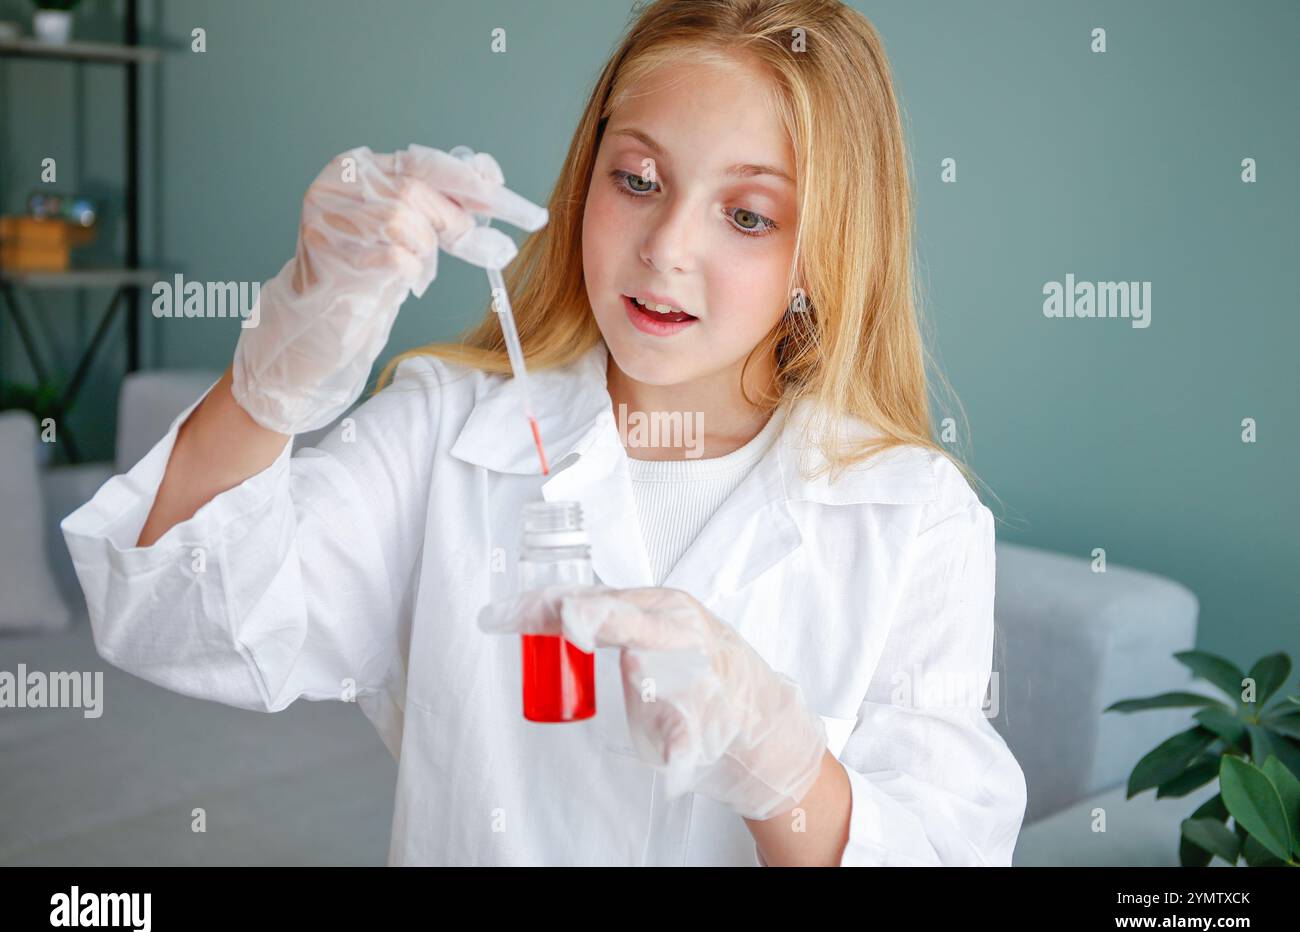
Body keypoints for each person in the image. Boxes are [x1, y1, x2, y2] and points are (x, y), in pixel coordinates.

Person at [62, 0, 1026, 866]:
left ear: (825, 249)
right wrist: (278, 373)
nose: (666, 247)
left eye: (746, 213)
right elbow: (174, 619)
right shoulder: (449, 426)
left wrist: (780, 766)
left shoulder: (913, 515)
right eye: (638, 178)